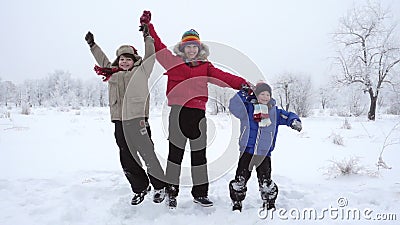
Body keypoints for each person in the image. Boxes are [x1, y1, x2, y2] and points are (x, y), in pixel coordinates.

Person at [139, 10, 251, 209]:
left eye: (194, 46)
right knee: (175, 154)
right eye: (188, 46)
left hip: (198, 115)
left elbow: (224, 77)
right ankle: (171, 192)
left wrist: (242, 83)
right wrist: (149, 28)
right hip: (178, 114)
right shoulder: (172, 62)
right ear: (183, 48)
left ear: (199, 49)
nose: (191, 49)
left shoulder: (206, 67)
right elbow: (158, 46)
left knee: (199, 155)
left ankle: (200, 193)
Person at [84, 24, 166, 205]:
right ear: (118, 61)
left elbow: (151, 56)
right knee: (127, 156)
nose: (125, 62)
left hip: (138, 120)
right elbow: (103, 60)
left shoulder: (142, 71)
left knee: (147, 153)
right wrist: (93, 45)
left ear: (134, 60)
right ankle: (140, 188)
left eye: (128, 59)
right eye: (122, 59)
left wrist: (148, 37)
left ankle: (160, 186)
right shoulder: (112, 74)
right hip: (120, 121)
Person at [228, 82, 302, 211]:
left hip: (264, 152)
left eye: (268, 94)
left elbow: (288, 115)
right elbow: (234, 106)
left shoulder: (275, 112)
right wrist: (242, 93)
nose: (265, 97)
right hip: (247, 151)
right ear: (256, 95)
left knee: (265, 180)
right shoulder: (247, 109)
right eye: (262, 94)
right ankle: (237, 202)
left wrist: (294, 121)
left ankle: (269, 202)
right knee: (241, 179)